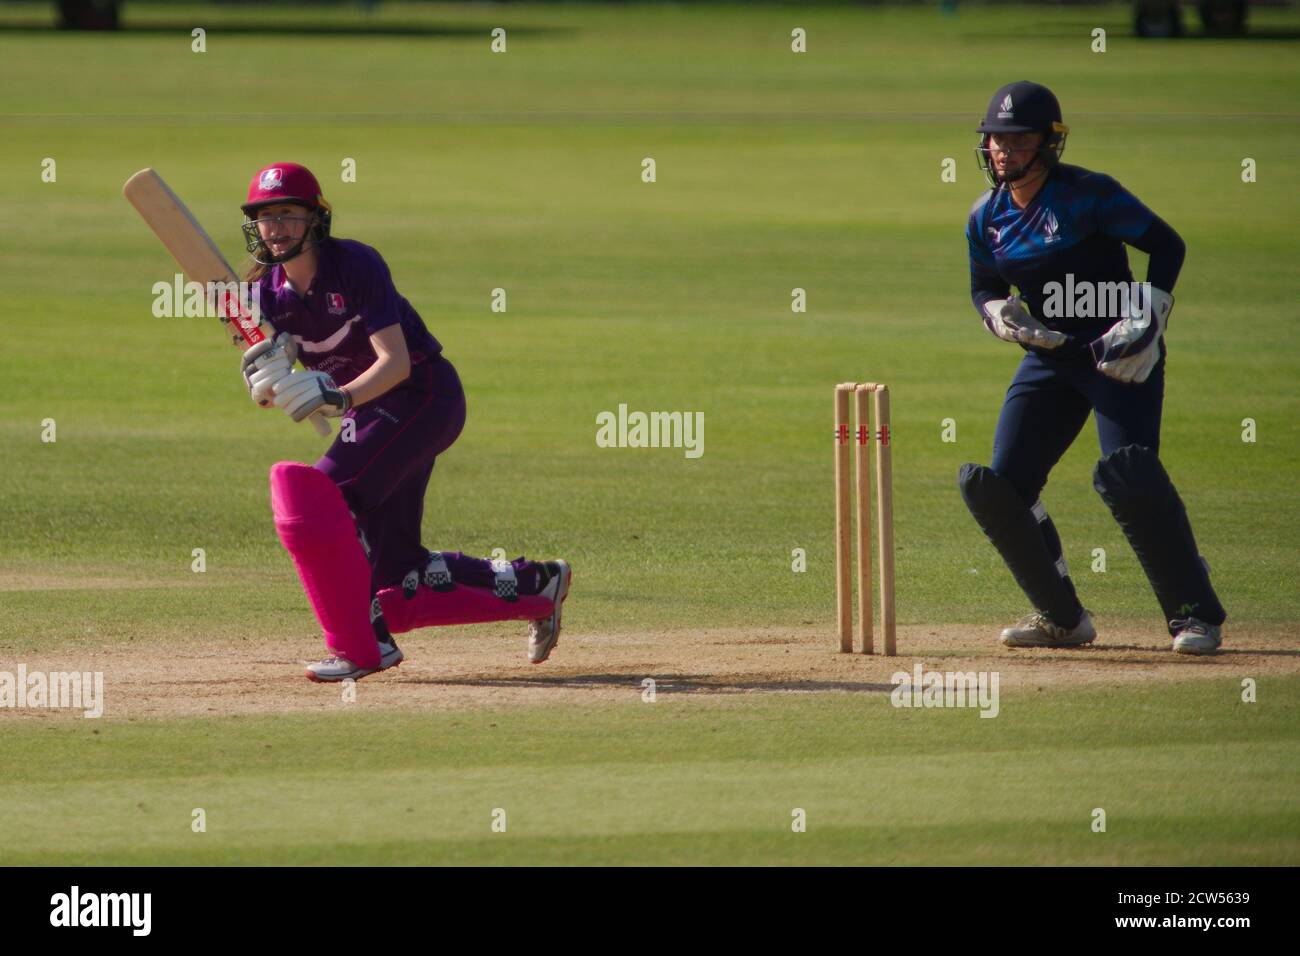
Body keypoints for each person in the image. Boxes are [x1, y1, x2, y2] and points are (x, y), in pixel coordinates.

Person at [236, 163, 572, 681]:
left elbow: (394, 362)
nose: (275, 227)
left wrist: (338, 396)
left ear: (316, 220)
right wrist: (268, 383)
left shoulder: (356, 264)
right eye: (264, 217)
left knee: (325, 495)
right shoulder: (263, 294)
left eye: (287, 214)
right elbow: (279, 372)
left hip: (422, 397)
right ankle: (537, 585)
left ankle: (364, 645)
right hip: (372, 414)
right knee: (396, 573)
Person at [959, 81, 1225, 655]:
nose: (1003, 149)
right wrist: (997, 314)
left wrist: (1148, 315)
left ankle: (1194, 615)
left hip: (1117, 350)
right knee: (1005, 486)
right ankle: (1062, 619)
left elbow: (1167, 246)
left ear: (1050, 143)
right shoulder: (987, 218)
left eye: (1018, 138)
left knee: (1130, 475)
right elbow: (984, 285)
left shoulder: (1088, 195)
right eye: (995, 138)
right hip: (1051, 355)